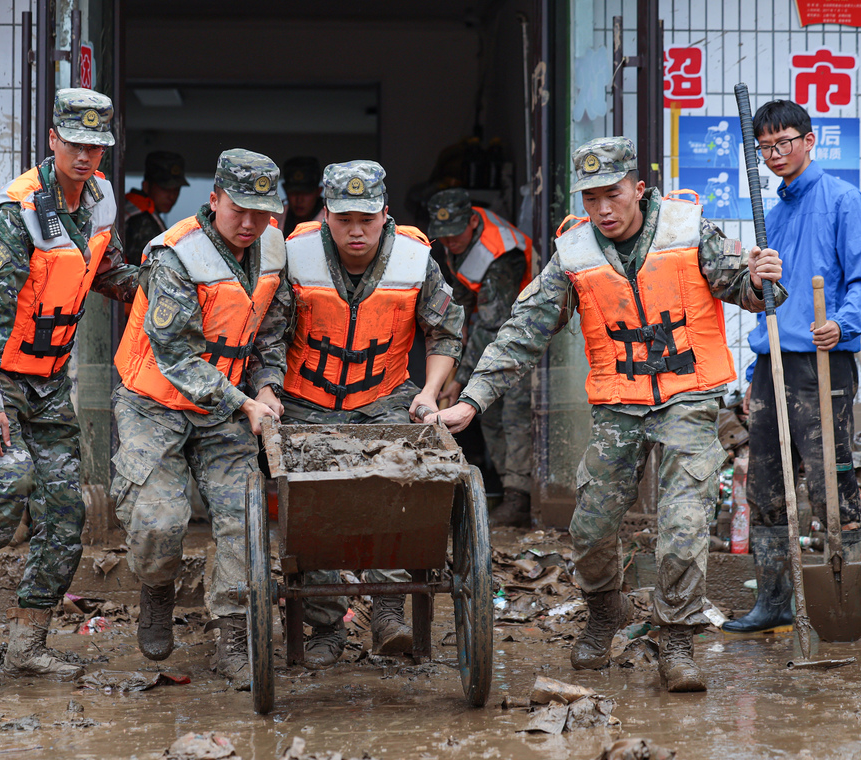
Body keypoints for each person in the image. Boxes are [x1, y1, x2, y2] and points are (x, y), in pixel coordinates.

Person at [431, 137, 786, 692]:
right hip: (618, 405)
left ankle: (676, 639)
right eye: (591, 196)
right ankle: (603, 612)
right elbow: (523, 330)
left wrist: (763, 278)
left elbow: (748, 290)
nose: (603, 209)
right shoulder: (573, 253)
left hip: (688, 398)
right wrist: (472, 400)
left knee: (684, 524)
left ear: (638, 189)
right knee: (591, 526)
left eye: (614, 194)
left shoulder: (688, 230)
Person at [0, 89, 139, 680]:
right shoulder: (19, 210)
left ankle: (28, 644)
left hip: (49, 377)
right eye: (75, 143)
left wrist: (162, 285)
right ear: (53, 140)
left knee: (66, 510)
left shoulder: (99, 201)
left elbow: (106, 270)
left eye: (96, 146)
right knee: (12, 474)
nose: (85, 155)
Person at [276, 161, 465, 668]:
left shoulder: (415, 258)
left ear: (386, 213)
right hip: (305, 404)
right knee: (311, 510)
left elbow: (445, 331)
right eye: (342, 220)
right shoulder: (292, 255)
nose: (355, 231)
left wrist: (427, 392)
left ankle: (388, 611)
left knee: (406, 490)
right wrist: (268, 391)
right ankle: (325, 627)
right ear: (324, 215)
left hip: (385, 398)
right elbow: (268, 336)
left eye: (366, 218)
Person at [111, 149, 288, 689]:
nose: (250, 223)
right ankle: (157, 588)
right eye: (239, 209)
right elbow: (175, 354)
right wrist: (245, 402)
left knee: (243, 518)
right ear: (213, 200)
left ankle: (234, 635)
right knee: (159, 521)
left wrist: (266, 384)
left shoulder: (273, 250)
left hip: (225, 409)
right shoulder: (174, 256)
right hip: (154, 403)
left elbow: (272, 328)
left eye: (262, 212)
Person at [725, 100, 861, 634]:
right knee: (766, 487)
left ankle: (839, 598)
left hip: (822, 365)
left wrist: (841, 324)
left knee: (828, 486)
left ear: (810, 140)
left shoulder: (842, 200)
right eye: (765, 147)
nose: (774, 155)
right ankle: (774, 600)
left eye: (784, 143)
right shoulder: (775, 212)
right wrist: (753, 378)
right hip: (772, 364)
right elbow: (766, 299)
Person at [429, 188, 538, 527]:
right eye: (443, 236)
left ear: (473, 221)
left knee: (514, 413)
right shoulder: (453, 244)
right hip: (489, 334)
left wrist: (460, 379)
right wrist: (453, 355)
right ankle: (508, 486)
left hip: (525, 335)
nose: (449, 242)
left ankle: (520, 497)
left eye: (455, 233)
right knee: (489, 414)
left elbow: (493, 322)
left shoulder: (502, 253)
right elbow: (463, 302)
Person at [123, 150, 189, 263]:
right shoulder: (141, 220)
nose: (172, 196)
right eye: (165, 189)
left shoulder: (135, 211)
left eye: (176, 189)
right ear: (146, 186)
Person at [274, 156, 325, 237]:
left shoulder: (330, 221)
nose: (299, 200)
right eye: (293, 193)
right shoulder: (274, 219)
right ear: (285, 190)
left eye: (306, 193)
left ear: (318, 191)